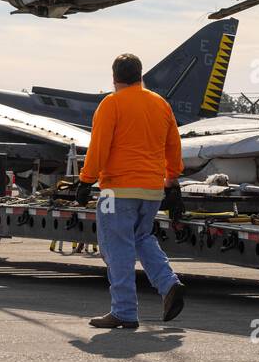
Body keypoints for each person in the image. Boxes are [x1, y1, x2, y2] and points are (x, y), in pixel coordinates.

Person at [76, 53, 187, 329]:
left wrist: (85, 180)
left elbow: (99, 146)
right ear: (141, 76)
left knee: (117, 247)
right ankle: (169, 283)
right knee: (142, 238)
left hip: (118, 190)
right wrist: (172, 182)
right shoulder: (160, 104)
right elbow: (173, 146)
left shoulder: (111, 104)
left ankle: (124, 311)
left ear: (114, 78)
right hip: (151, 189)